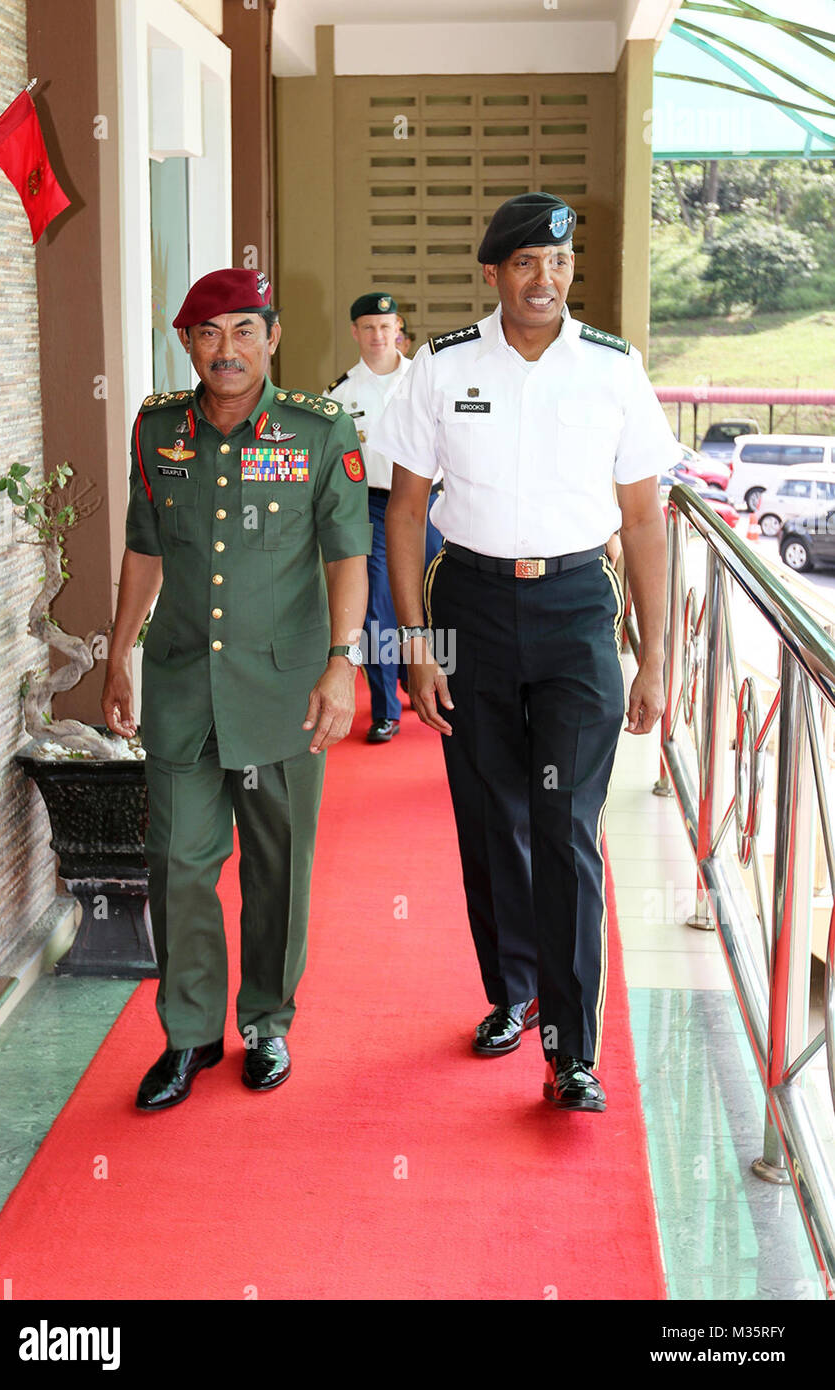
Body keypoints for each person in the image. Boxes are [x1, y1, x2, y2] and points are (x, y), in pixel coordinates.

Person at [375, 192, 680, 1113]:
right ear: (494, 273)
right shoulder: (439, 367)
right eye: (526, 264)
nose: (545, 280)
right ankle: (512, 994)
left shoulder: (614, 370)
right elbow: (402, 509)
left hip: (579, 606)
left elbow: (643, 521)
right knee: (491, 813)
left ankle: (571, 1047)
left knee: (567, 827)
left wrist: (656, 658)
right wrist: (415, 648)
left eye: (560, 262)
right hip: (468, 600)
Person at [102, 268, 370, 1111]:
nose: (228, 350)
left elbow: (345, 556)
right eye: (210, 334)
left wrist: (341, 659)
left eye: (245, 331)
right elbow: (144, 549)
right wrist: (117, 653)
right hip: (183, 684)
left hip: (284, 689)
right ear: (187, 344)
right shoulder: (156, 432)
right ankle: (188, 1036)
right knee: (178, 864)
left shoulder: (319, 431)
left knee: (277, 867)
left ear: (272, 338)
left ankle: (266, 1024)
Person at [327, 292, 441, 743]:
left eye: (386, 326)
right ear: (355, 332)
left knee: (435, 597)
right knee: (376, 611)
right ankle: (386, 708)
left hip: (429, 504)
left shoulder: (429, 378)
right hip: (373, 506)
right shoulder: (339, 395)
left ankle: (426, 679)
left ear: (400, 331)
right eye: (368, 327)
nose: (378, 335)